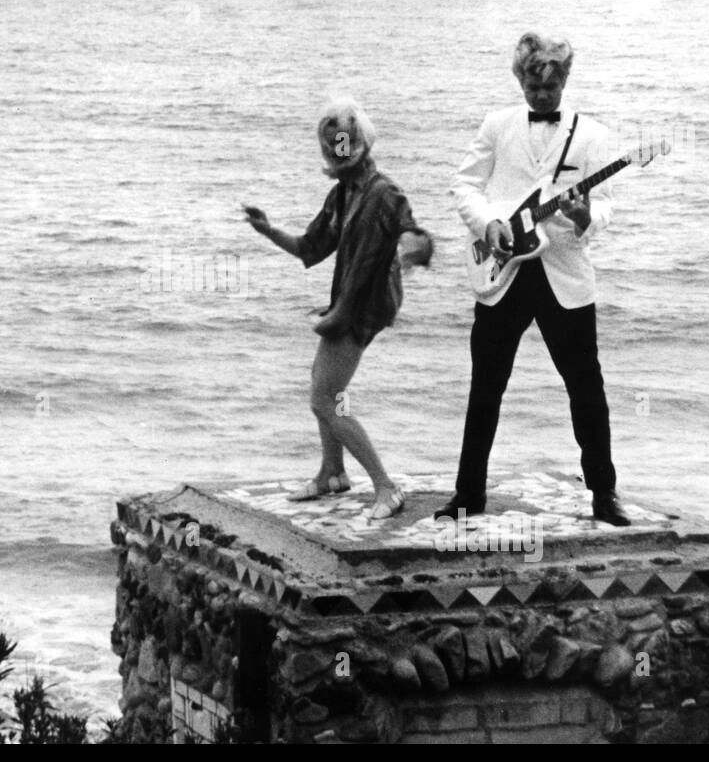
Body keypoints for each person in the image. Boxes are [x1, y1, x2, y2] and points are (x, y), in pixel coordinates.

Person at [437, 32, 634, 526]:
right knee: (486, 384)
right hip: (502, 270)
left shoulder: (591, 134)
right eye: (532, 85)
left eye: (550, 86)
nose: (541, 94)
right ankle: (468, 494)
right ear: (520, 79)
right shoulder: (497, 124)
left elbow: (607, 205)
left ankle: (604, 495)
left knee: (585, 385)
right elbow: (464, 184)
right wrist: (490, 224)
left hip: (564, 274)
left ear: (565, 80)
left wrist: (586, 215)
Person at [243, 97, 433, 520]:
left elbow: (414, 233)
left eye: (347, 149)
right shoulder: (342, 195)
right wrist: (267, 228)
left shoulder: (385, 194)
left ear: (362, 146)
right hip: (347, 300)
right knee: (327, 385)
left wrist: (412, 250)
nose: (342, 159)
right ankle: (333, 472)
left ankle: (386, 487)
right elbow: (309, 248)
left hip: (365, 305)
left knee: (323, 398)